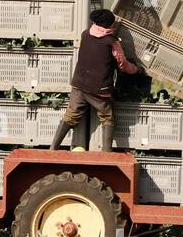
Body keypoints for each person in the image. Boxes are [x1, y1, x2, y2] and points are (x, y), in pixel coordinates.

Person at [50, 8, 142, 151]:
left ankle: (52, 148)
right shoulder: (112, 42)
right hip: (99, 90)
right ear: (109, 25)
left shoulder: (85, 34)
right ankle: (106, 153)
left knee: (70, 115)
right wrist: (137, 70)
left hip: (79, 85)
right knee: (107, 117)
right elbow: (122, 65)